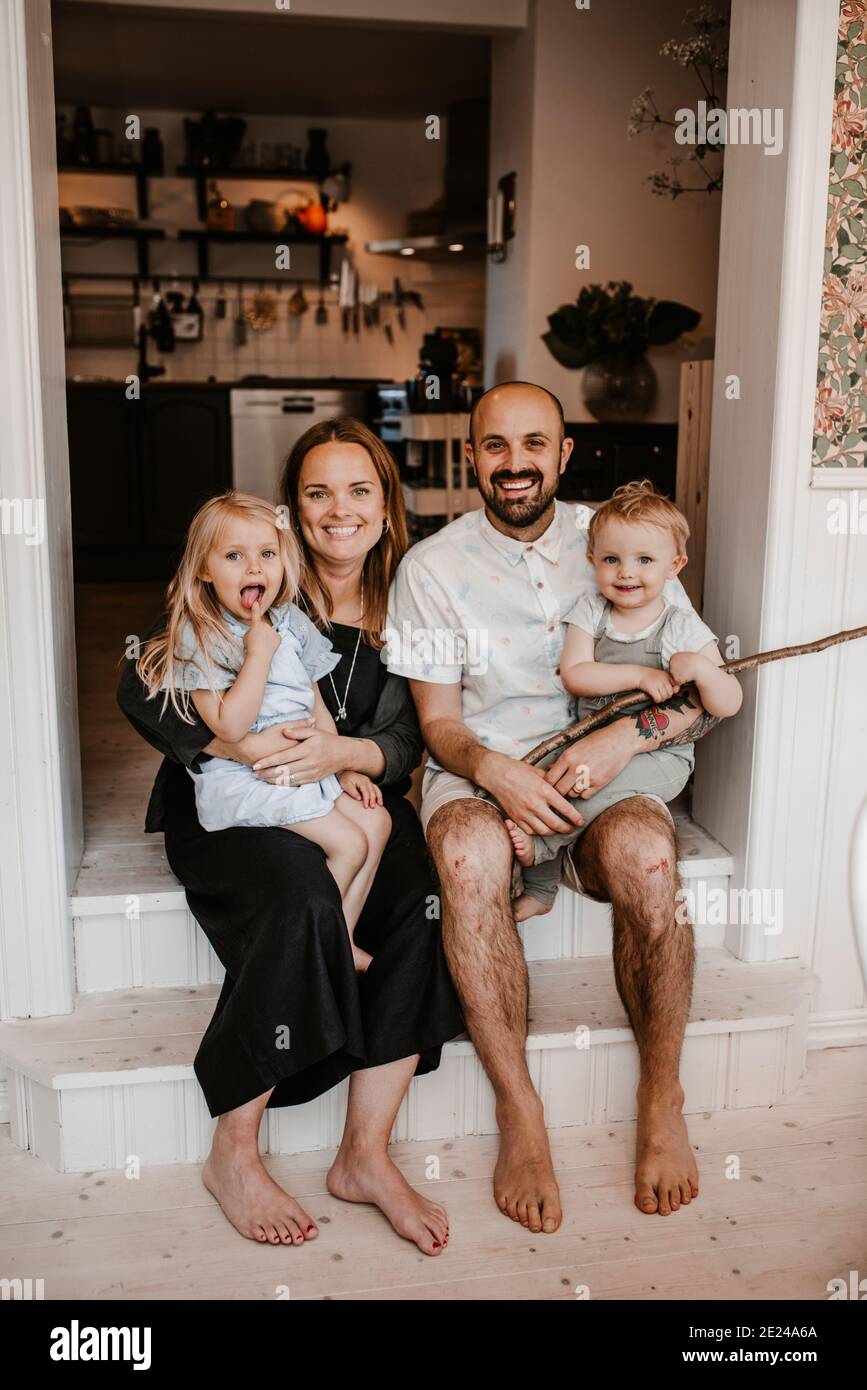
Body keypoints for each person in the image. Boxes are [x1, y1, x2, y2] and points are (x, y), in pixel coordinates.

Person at [385, 381, 733, 1232]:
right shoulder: (429, 568)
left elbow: (696, 689)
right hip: (486, 769)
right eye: (495, 445)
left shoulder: (622, 539)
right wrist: (497, 775)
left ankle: (662, 1096)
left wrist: (626, 739)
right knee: (467, 857)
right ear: (470, 455)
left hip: (608, 768)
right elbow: (438, 725)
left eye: (533, 444)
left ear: (563, 453)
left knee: (650, 859)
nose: (515, 463)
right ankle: (520, 1115)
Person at [117, 417, 463, 1255]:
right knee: (303, 893)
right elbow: (142, 672)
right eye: (317, 494)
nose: (338, 511)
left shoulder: (410, 601)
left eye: (358, 492)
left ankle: (364, 1155)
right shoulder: (254, 573)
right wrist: (232, 743)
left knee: (416, 895)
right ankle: (234, 1149)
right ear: (292, 509)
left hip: (343, 793)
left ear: (387, 507)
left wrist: (347, 752)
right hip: (237, 804)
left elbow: (413, 739)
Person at [136, 490, 391, 972]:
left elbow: (314, 701)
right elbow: (229, 725)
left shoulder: (290, 621)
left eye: (267, 554)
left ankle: (338, 938)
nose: (254, 568)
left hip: (303, 765)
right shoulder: (198, 634)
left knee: (377, 822)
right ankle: (317, 946)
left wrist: (340, 763)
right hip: (248, 779)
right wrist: (258, 655)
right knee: (350, 842)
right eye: (234, 555)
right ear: (205, 570)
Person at [506, 480, 743, 919]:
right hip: (586, 737)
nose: (626, 573)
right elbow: (575, 673)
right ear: (592, 560)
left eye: (645, 560)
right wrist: (639, 674)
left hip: (662, 757)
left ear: (675, 566)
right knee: (543, 777)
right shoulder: (591, 611)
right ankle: (541, 890)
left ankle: (540, 846)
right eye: (612, 560)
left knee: (584, 788)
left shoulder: (680, 625)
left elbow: (729, 702)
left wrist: (707, 672)